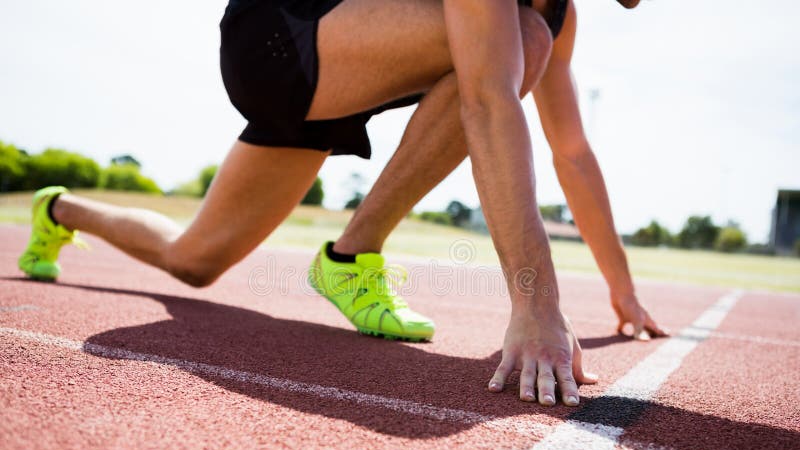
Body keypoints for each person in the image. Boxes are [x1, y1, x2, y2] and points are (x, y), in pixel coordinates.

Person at [18, 0, 653, 408]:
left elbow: (572, 152)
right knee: (517, 44)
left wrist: (621, 289)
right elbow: (487, 99)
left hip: (347, 75)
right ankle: (351, 256)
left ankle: (59, 210)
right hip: (282, 34)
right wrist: (537, 306)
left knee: (194, 260)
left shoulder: (559, 11)